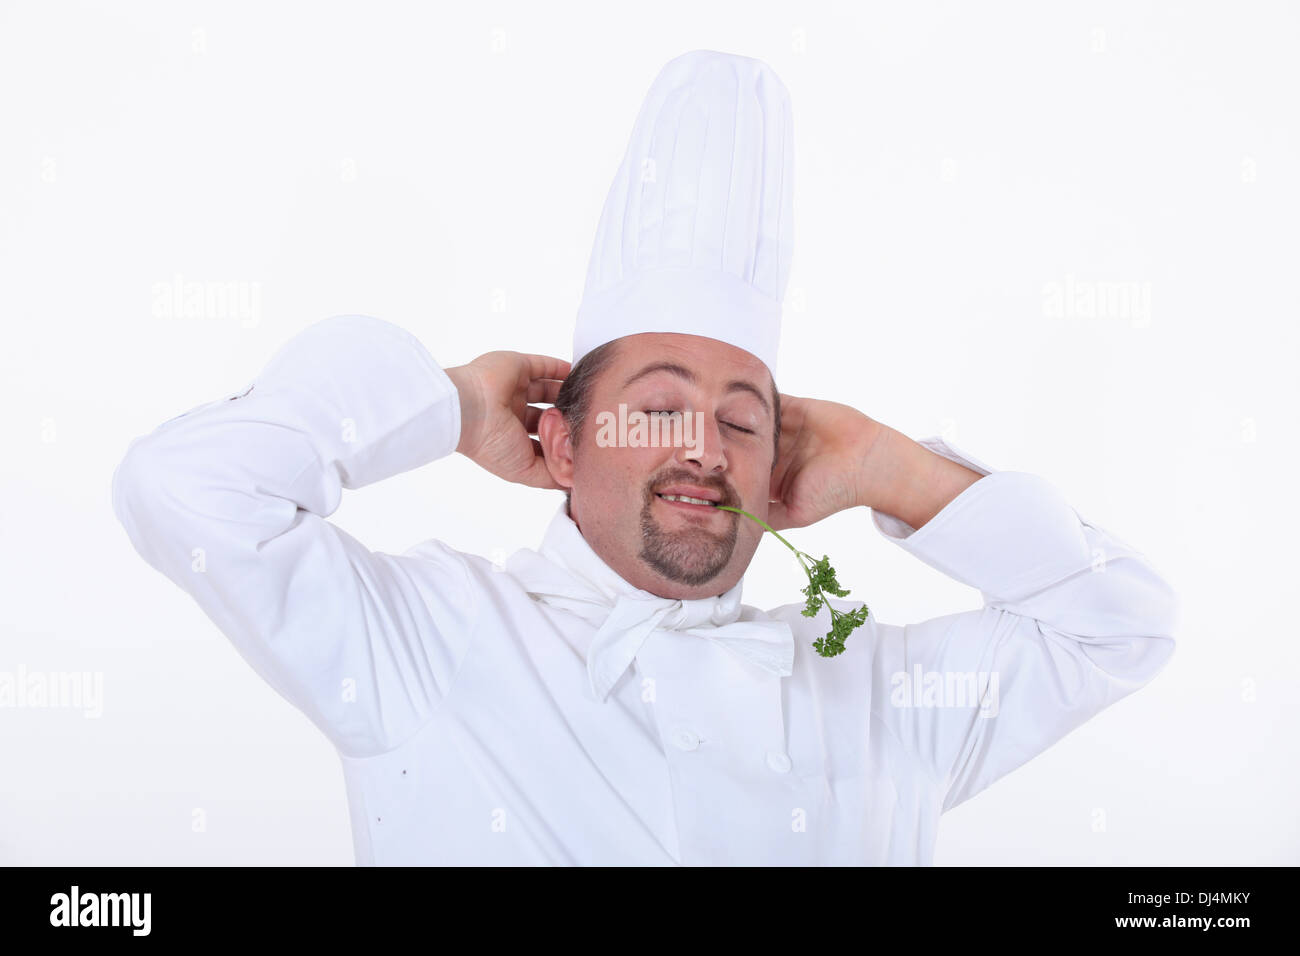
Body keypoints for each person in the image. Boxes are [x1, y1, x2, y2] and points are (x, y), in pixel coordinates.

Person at [111, 51, 1178, 865]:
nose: (704, 448)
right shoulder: (423, 637)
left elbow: (1121, 621)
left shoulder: (880, 691)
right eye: (657, 407)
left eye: (744, 420)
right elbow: (184, 487)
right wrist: (447, 404)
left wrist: (891, 466)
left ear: (781, 468)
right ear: (563, 440)